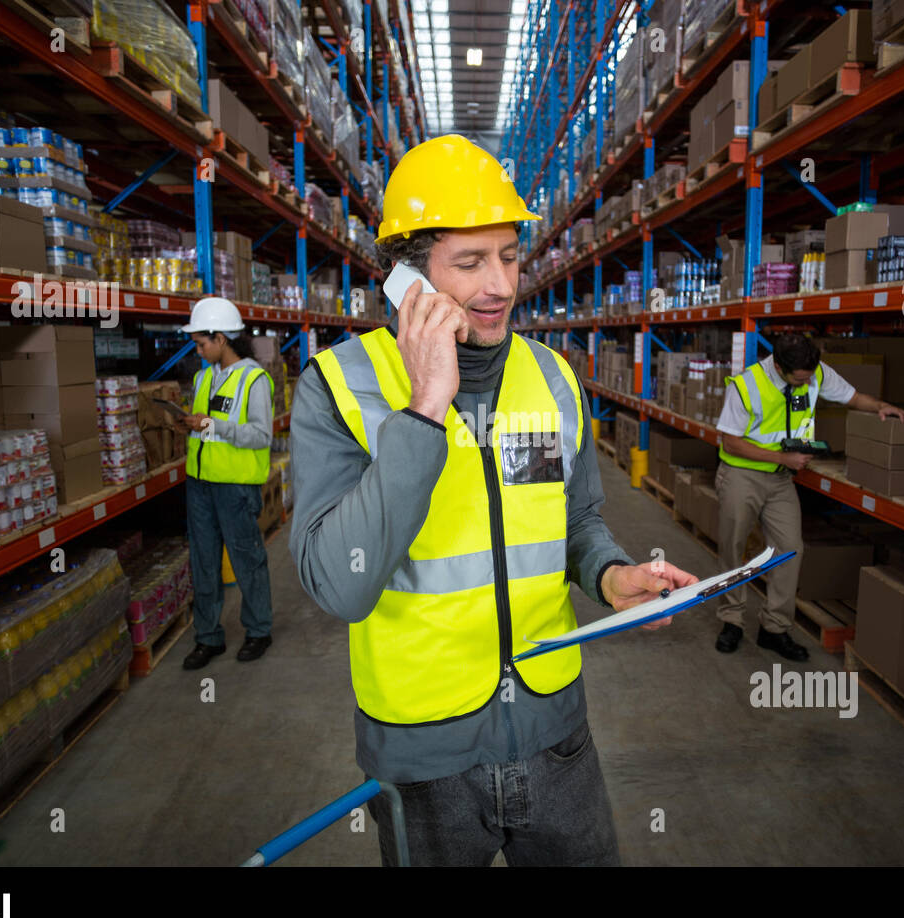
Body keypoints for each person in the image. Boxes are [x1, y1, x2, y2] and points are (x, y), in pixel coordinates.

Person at [289, 134, 697, 866]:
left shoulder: (553, 377)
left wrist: (611, 576)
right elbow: (340, 585)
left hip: (557, 733)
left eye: (509, 256)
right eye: (470, 263)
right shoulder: (340, 388)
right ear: (407, 280)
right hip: (424, 756)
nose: (501, 285)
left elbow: (575, 520)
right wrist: (425, 408)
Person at [713, 334, 904, 660]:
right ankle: (732, 621)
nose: (808, 382)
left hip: (781, 481)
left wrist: (882, 406)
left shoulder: (815, 371)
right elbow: (730, 444)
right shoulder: (745, 385)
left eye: (811, 375)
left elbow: (851, 397)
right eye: (801, 378)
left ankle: (774, 628)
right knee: (733, 547)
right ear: (778, 366)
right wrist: (784, 459)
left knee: (790, 550)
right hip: (743, 475)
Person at [174, 296, 276, 669]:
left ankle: (258, 630)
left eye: (202, 343)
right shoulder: (203, 378)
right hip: (200, 484)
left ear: (221, 338)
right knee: (203, 563)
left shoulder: (254, 380)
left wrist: (212, 425)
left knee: (247, 560)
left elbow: (260, 436)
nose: (199, 351)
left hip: (234, 486)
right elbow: (205, 429)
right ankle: (208, 637)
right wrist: (188, 424)